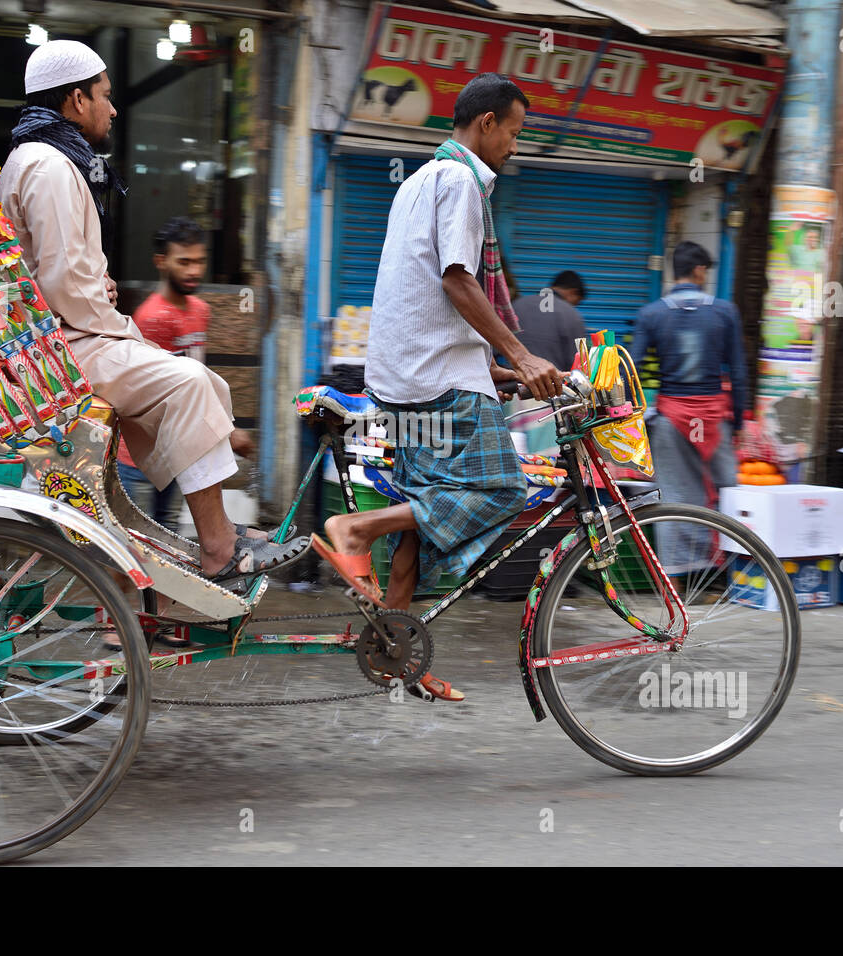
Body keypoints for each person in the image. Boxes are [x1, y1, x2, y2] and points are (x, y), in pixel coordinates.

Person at [0, 40, 305, 600]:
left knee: (193, 380)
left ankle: (210, 537)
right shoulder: (50, 167)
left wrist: (98, 289)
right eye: (105, 97)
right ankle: (217, 545)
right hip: (66, 347)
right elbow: (69, 288)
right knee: (187, 381)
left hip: (62, 336)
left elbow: (58, 273)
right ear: (76, 99)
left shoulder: (34, 159)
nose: (113, 109)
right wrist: (123, 323)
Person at [311, 73, 565, 702]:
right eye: (513, 130)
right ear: (486, 123)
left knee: (420, 527)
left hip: (408, 374)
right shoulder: (462, 181)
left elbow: (429, 290)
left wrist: (493, 368)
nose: (515, 144)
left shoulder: (420, 180)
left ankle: (400, 653)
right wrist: (521, 353)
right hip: (434, 378)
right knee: (507, 487)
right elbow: (456, 280)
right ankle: (353, 530)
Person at [116, 216, 254, 531]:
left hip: (176, 448)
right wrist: (225, 432)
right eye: (184, 262)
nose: (194, 271)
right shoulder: (151, 317)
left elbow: (199, 375)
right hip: (142, 456)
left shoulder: (199, 310)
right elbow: (151, 391)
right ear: (161, 262)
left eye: (200, 262)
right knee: (138, 539)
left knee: (166, 532)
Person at [631, 242, 747, 580]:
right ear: (699, 271)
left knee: (676, 495)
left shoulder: (651, 314)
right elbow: (738, 372)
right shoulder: (725, 312)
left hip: (670, 419)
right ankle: (729, 575)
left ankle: (678, 581)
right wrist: (737, 421)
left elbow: (632, 369)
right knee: (729, 491)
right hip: (714, 418)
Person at [513, 270, 589, 372]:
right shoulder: (571, 315)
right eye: (576, 302)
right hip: (551, 384)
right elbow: (578, 364)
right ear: (573, 292)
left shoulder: (516, 305)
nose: (575, 305)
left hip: (510, 383)